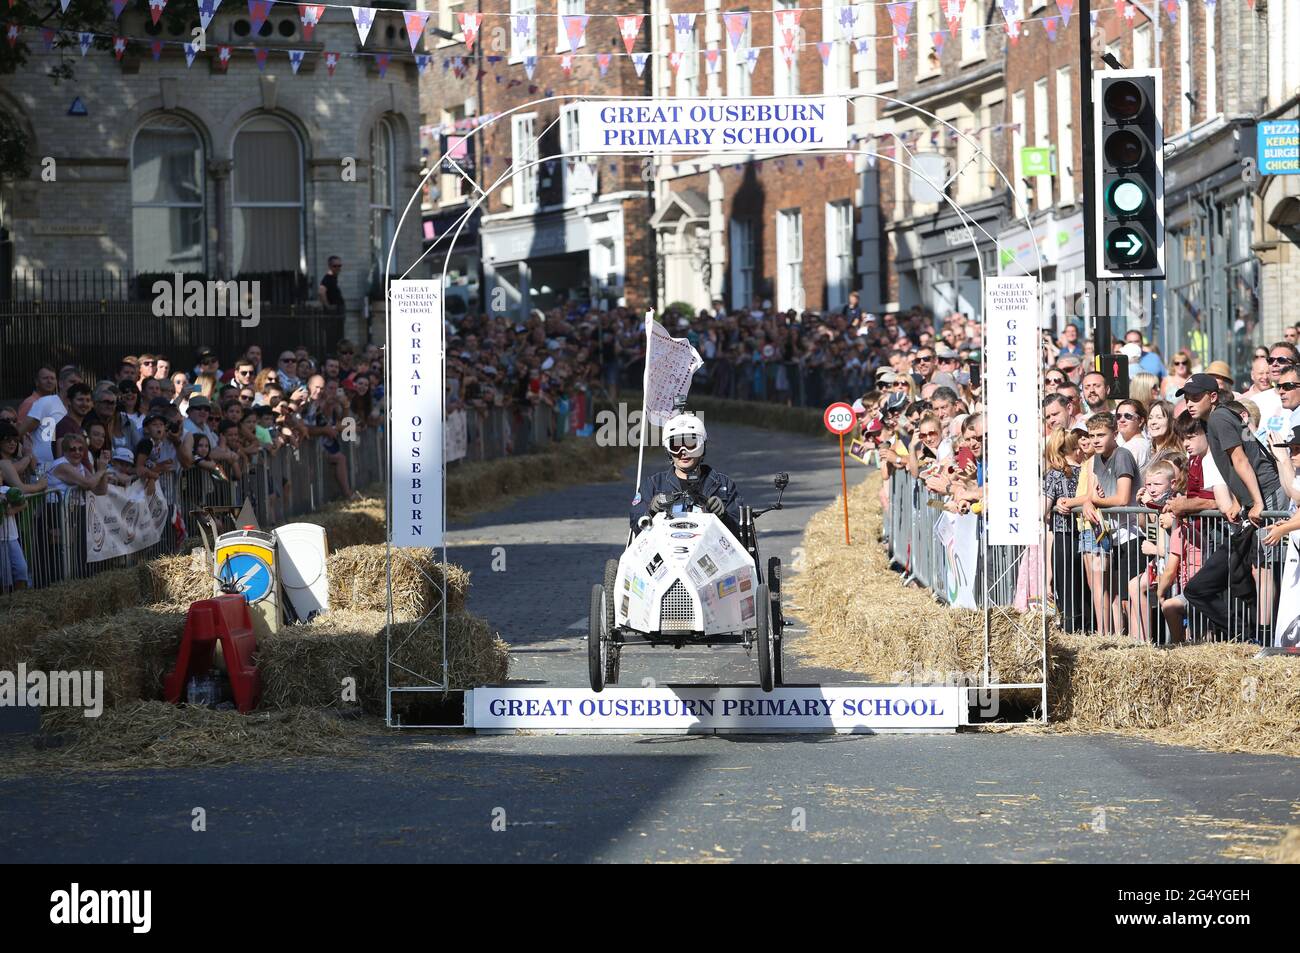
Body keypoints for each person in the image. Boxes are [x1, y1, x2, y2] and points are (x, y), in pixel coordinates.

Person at [630, 411, 744, 532]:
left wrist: (723, 516)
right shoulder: (653, 484)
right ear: (668, 451)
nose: (683, 451)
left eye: (690, 444)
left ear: (702, 446)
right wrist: (651, 511)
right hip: (665, 549)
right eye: (676, 445)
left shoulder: (723, 484)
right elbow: (635, 526)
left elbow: (739, 531)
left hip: (711, 548)